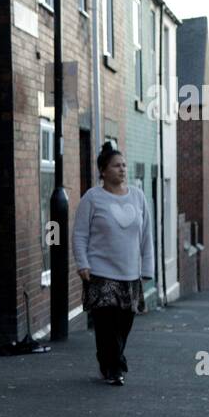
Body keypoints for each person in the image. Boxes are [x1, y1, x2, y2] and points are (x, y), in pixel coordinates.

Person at [73, 145, 155, 386]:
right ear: (103, 170)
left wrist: (147, 268)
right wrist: (82, 263)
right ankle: (114, 367)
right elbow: (79, 234)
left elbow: (146, 235)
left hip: (130, 274)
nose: (122, 169)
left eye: (124, 165)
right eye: (116, 165)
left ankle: (109, 360)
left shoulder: (138, 197)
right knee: (105, 323)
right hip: (100, 272)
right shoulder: (92, 198)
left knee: (124, 323)